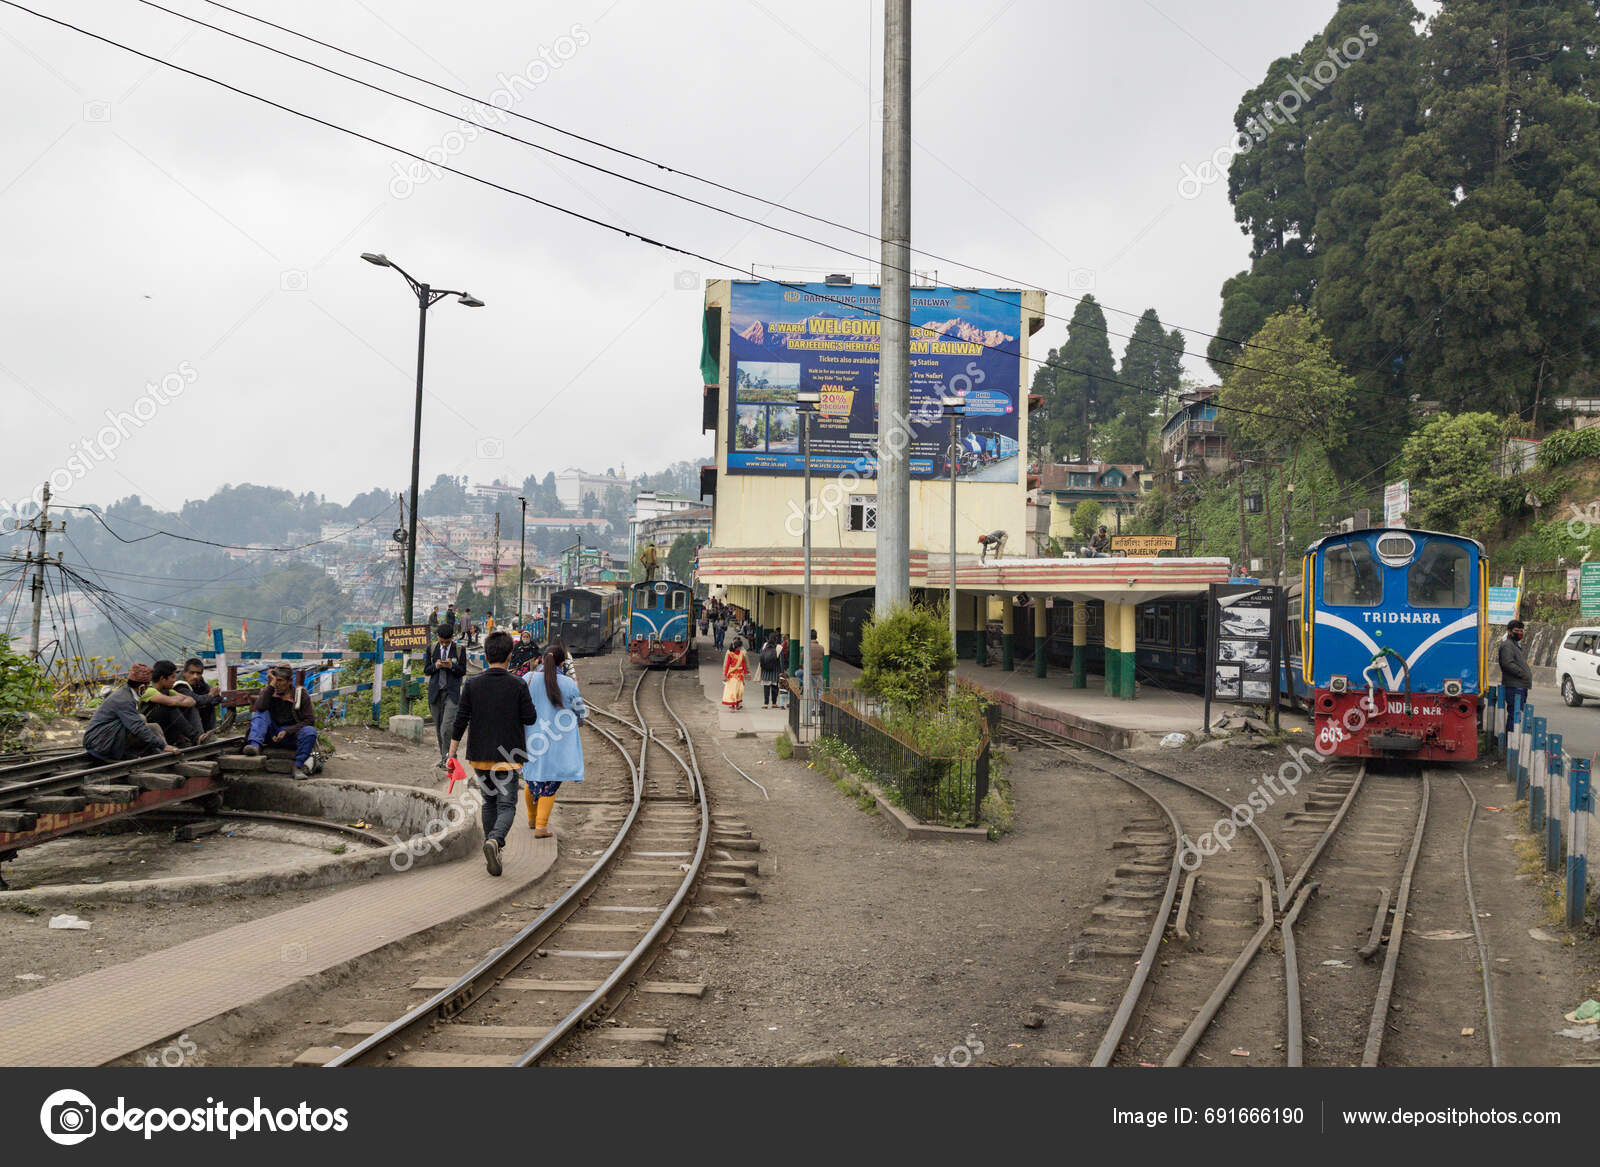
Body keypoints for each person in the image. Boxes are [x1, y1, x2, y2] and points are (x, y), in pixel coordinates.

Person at [449, 630, 537, 875]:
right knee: (507, 805)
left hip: (479, 755)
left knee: (489, 801)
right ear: (510, 656)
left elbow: (460, 720)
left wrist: (451, 754)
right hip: (508, 757)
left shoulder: (473, 683)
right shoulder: (518, 684)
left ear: (486, 656)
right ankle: (496, 841)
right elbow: (530, 718)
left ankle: (492, 847)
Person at [521, 641, 588, 838]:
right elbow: (580, 710)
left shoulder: (528, 678)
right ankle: (541, 827)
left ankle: (532, 819)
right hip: (557, 742)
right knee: (550, 784)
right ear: (562, 664)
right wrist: (580, 720)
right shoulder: (568, 683)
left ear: (541, 659)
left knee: (531, 777)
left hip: (530, 738)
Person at [83, 663, 181, 761]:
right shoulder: (124, 699)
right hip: (99, 744)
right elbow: (137, 727)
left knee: (151, 725)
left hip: (103, 738)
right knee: (140, 723)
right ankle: (161, 753)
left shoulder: (127, 693)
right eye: (147, 686)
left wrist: (162, 745)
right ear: (142, 687)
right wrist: (162, 746)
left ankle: (162, 754)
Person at [243, 665, 317, 778]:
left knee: (310, 732)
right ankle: (254, 746)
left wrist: (287, 731)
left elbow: (309, 720)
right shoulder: (269, 691)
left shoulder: (300, 695)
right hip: (271, 733)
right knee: (261, 713)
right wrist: (270, 687)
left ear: (290, 681)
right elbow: (260, 707)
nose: (276, 684)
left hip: (290, 735)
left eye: (280, 681)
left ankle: (297, 767)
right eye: (274, 680)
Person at [424, 623, 468, 769]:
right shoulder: (432, 648)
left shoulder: (459, 650)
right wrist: (436, 666)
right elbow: (426, 670)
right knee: (438, 728)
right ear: (438, 638)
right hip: (435, 693)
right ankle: (445, 758)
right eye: (441, 641)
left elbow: (462, 671)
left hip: (452, 693)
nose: (443, 644)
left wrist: (451, 666)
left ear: (451, 638)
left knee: (446, 727)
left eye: (446, 642)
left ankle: (451, 757)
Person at [138, 659, 201, 747]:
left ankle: (197, 737)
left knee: (187, 707)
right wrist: (176, 700)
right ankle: (196, 737)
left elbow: (192, 700)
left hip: (163, 724)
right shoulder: (148, 690)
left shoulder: (167, 690)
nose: (174, 680)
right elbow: (171, 702)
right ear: (162, 679)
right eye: (172, 677)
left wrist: (176, 701)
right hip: (146, 725)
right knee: (169, 708)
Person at [1499, 619, 1532, 727]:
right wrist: (1522, 674)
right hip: (1514, 686)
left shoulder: (1515, 645)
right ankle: (1511, 741)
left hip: (1519, 685)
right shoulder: (1507, 645)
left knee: (1517, 714)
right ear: (1509, 631)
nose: (1519, 633)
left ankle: (1513, 740)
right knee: (1515, 714)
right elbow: (1507, 663)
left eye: (1521, 631)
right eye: (1517, 630)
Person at [178, 658, 223, 736]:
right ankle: (199, 736)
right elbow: (196, 700)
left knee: (208, 705)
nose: (195, 676)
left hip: (198, 709)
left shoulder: (199, 680)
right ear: (183, 672)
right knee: (193, 705)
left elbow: (217, 697)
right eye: (191, 673)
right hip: (181, 715)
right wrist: (210, 696)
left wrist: (208, 700)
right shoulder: (180, 684)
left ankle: (209, 734)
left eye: (198, 673)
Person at [722, 637, 749, 710]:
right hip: (732, 675)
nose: (741, 648)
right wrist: (725, 675)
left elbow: (743, 664)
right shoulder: (730, 654)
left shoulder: (742, 653)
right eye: (740, 647)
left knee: (740, 691)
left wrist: (746, 674)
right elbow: (727, 665)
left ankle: (737, 704)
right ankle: (733, 707)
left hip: (740, 675)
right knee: (733, 691)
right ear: (737, 647)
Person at [758, 632, 782, 709]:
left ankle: (765, 703)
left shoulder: (765, 645)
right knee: (775, 687)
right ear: (776, 639)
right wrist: (781, 671)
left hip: (765, 670)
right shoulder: (779, 647)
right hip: (775, 670)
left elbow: (761, 655)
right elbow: (781, 661)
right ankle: (774, 703)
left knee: (766, 687)